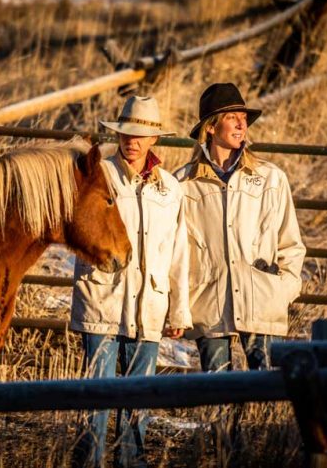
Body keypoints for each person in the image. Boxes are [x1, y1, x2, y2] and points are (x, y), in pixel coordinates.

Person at [175, 83, 306, 460]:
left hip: (260, 298)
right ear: (211, 126)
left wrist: (285, 289)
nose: (241, 123)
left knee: (264, 382)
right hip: (209, 299)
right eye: (231, 117)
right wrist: (180, 303)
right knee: (218, 388)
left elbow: (291, 243)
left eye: (243, 117)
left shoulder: (270, 178)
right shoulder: (184, 183)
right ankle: (226, 455)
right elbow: (177, 250)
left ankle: (268, 453)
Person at [70, 95, 191, 468]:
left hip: (149, 304)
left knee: (137, 401)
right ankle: (89, 462)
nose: (131, 141)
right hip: (103, 298)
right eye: (125, 133)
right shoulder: (98, 175)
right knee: (97, 399)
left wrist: (178, 311)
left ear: (154, 139)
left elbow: (178, 250)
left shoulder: (170, 188)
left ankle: (129, 462)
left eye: (140, 135)